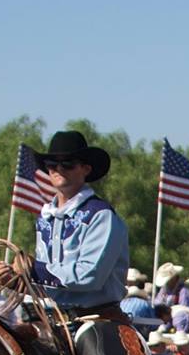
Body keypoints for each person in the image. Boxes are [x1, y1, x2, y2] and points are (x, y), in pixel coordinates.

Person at [29, 130, 127, 314]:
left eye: (67, 163)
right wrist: (17, 279)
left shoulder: (100, 215)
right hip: (51, 318)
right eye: (52, 164)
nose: (59, 169)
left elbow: (89, 276)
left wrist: (33, 271)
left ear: (86, 169)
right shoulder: (45, 218)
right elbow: (45, 282)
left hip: (96, 319)